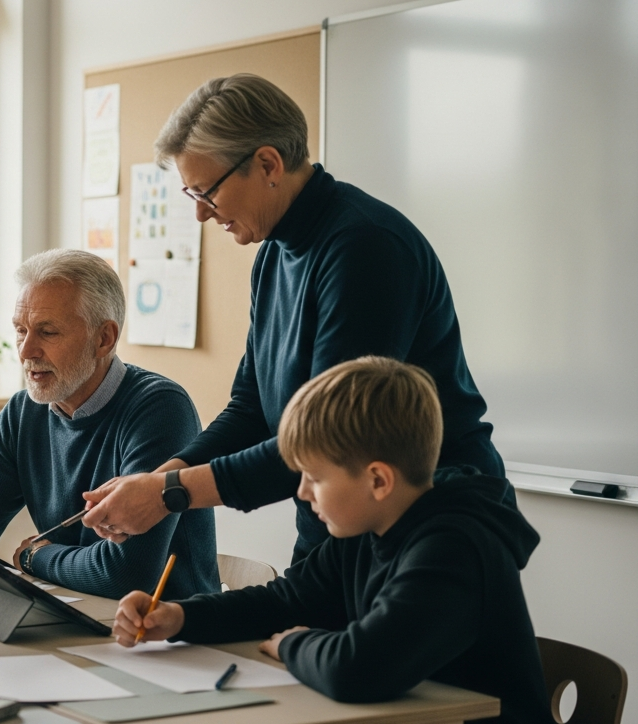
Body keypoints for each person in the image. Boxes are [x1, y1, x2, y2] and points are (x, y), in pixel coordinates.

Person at [83, 73, 512, 564]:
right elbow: (251, 410)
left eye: (206, 193)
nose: (202, 215)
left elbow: (328, 442)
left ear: (268, 164)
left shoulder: (363, 247)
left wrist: (168, 493)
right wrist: (159, 479)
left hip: (428, 531)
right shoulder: (274, 253)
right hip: (340, 529)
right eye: (192, 196)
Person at [114, 357, 555, 724]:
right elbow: (284, 601)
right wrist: (179, 617)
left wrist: (293, 645)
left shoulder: (454, 548)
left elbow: (360, 668)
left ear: (378, 480)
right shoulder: (364, 529)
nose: (303, 492)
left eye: (314, 476)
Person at [0, 249, 218, 599]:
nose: (26, 351)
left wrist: (35, 556)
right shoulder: (23, 412)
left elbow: (125, 575)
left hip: (167, 637)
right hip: (72, 618)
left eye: (47, 332)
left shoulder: (160, 408)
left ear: (104, 338)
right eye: (20, 330)